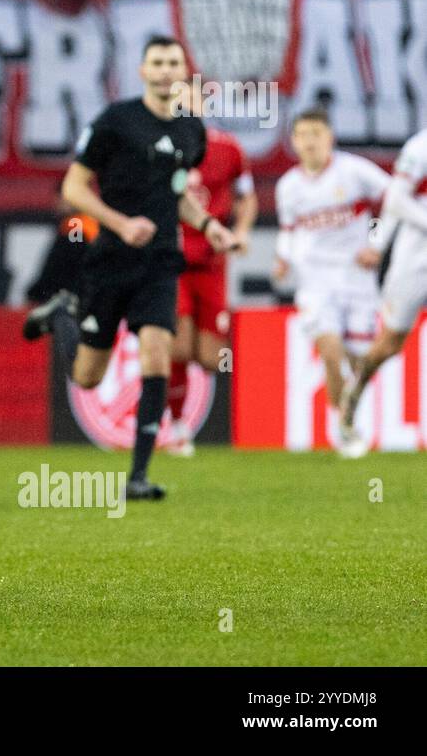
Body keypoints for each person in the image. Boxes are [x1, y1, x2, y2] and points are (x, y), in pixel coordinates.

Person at [23, 37, 234, 500]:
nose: (164, 70)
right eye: (156, 62)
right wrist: (120, 223)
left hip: (160, 263)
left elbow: (175, 191)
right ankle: (63, 314)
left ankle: (138, 476)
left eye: (173, 62)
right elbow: (74, 188)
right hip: (110, 263)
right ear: (141, 70)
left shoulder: (189, 131)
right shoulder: (115, 123)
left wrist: (209, 226)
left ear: (183, 71)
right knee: (87, 377)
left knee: (158, 352)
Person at [273, 109, 389, 458]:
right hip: (315, 281)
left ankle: (351, 415)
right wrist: (283, 258)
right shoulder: (288, 187)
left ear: (330, 137)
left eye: (317, 133)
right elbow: (289, 231)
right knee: (330, 351)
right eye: (303, 134)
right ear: (293, 141)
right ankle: (343, 423)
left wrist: (376, 244)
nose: (310, 141)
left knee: (359, 358)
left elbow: (394, 200)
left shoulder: (354, 171)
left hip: (357, 279)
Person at [165, 125, 256, 456]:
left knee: (211, 357)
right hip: (171, 259)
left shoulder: (228, 148)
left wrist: (242, 231)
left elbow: (247, 196)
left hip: (213, 260)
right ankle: (176, 426)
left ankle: (232, 420)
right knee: (178, 347)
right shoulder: (159, 141)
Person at [337, 128, 427, 444]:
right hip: (416, 259)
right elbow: (396, 200)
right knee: (389, 343)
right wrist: (378, 243)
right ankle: (353, 394)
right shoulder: (420, 146)